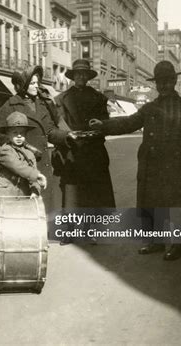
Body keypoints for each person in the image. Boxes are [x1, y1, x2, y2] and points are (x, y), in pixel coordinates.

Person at [90, 60, 181, 260]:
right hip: (152, 165)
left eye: (167, 81)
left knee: (176, 206)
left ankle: (178, 245)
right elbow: (128, 123)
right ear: (156, 84)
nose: (163, 85)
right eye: (160, 82)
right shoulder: (150, 108)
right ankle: (157, 242)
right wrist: (103, 125)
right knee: (152, 204)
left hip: (176, 167)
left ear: (175, 81)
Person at [51, 59, 116, 245]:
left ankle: (89, 231)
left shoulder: (98, 98)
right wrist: (68, 135)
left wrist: (99, 127)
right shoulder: (61, 99)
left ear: (88, 77)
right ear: (72, 77)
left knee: (91, 193)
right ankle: (69, 231)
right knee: (70, 192)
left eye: (84, 74)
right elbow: (59, 124)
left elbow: (105, 123)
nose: (81, 77)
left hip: (93, 150)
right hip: (71, 151)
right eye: (77, 74)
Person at [0, 66, 67, 216]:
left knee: (43, 203)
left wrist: (67, 136)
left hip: (42, 161)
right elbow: (2, 136)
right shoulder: (9, 106)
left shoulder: (43, 104)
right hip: (21, 163)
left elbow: (50, 130)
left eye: (38, 82)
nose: (37, 86)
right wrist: (26, 148)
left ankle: (43, 233)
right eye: (32, 83)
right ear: (22, 85)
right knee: (23, 206)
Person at [0, 111, 47, 207]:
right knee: (2, 219)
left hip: (23, 194)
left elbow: (33, 174)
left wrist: (35, 190)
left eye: (22, 133)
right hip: (4, 194)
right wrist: (37, 175)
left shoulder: (29, 153)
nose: (19, 136)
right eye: (15, 132)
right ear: (8, 134)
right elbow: (17, 166)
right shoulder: (5, 150)